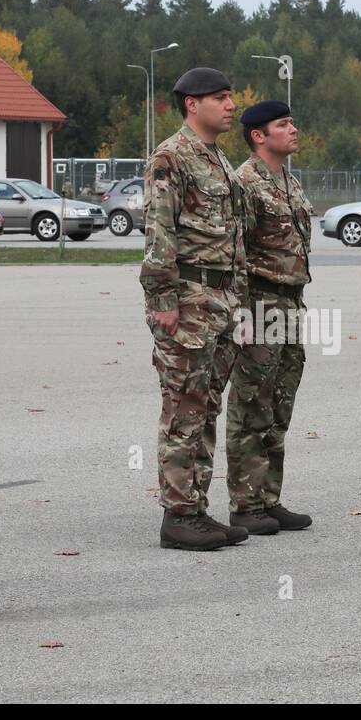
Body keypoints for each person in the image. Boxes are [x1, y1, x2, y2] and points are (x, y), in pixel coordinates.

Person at [140, 67, 250, 550]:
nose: (230, 105)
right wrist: (162, 299)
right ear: (191, 104)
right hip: (187, 299)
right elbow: (159, 231)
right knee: (184, 406)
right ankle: (178, 514)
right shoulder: (171, 157)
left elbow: (233, 237)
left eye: (230, 97)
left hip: (220, 300)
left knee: (206, 406)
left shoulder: (218, 159)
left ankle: (197, 508)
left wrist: (239, 301)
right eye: (220, 98)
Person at [226, 100, 314, 535]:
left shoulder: (288, 181)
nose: (293, 129)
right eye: (284, 124)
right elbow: (236, 253)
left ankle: (268, 497)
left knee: (280, 403)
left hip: (291, 303)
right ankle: (245, 503)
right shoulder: (245, 183)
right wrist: (241, 313)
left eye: (292, 122)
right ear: (259, 136)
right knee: (251, 404)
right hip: (260, 303)